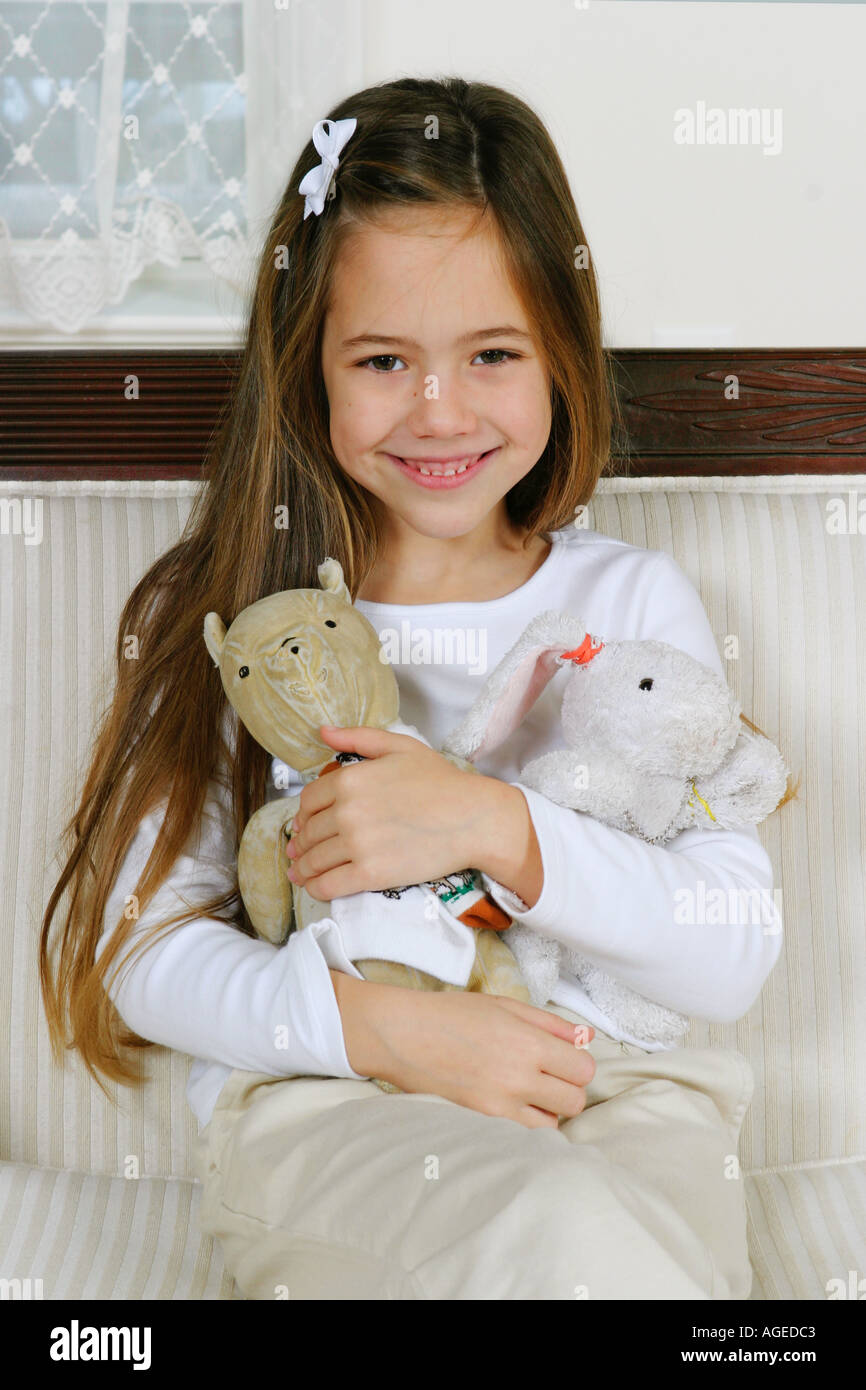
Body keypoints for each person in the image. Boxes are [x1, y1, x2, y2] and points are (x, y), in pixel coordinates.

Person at [39, 76, 794, 1301]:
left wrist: (490, 822)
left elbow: (728, 954)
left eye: (491, 353)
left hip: (615, 1096)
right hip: (343, 1098)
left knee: (617, 1252)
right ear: (309, 369)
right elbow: (144, 949)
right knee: (556, 1237)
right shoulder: (246, 617)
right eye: (383, 359)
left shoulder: (629, 603)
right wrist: (383, 1028)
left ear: (558, 352)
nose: (437, 410)